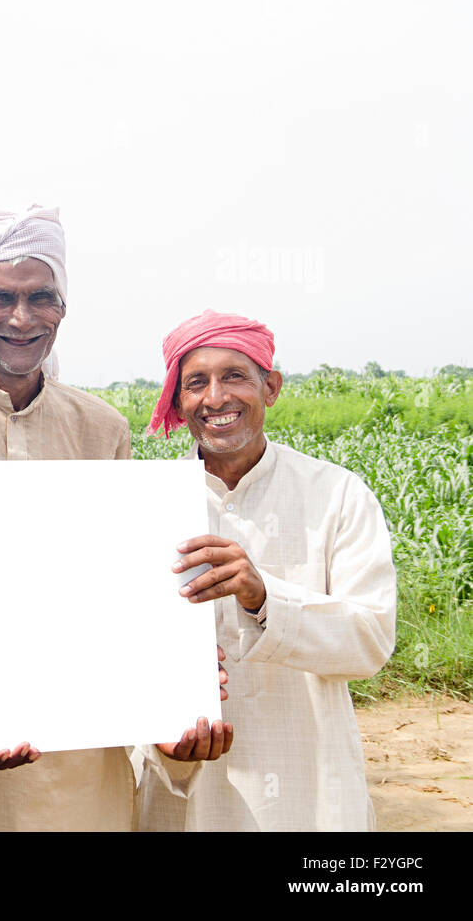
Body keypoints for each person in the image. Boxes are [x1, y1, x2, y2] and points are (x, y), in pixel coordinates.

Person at [0, 205, 232, 830]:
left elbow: (126, 589)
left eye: (41, 297)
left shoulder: (101, 428)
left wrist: (171, 686)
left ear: (63, 308)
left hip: (80, 753)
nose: (21, 317)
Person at [137, 310, 397, 830]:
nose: (215, 398)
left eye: (234, 375)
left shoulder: (337, 494)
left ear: (270, 386)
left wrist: (263, 597)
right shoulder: (146, 505)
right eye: (195, 383)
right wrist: (161, 730)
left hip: (308, 784)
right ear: (177, 402)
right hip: (184, 781)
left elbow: (370, 640)